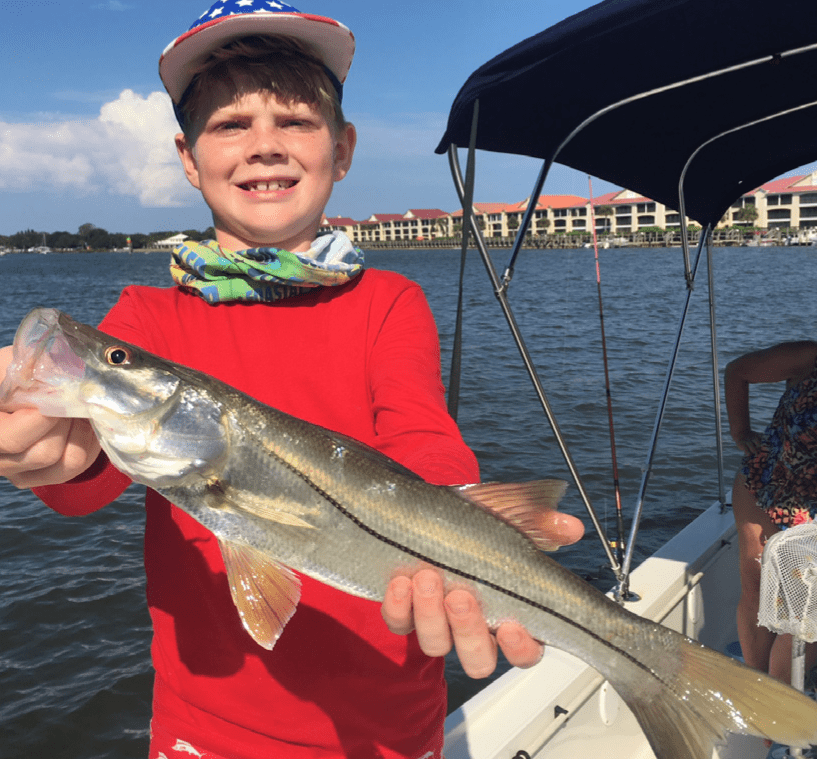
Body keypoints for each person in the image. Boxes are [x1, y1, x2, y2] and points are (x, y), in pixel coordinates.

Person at [0, 3, 584, 758]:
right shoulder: (143, 318)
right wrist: (47, 452)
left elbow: (423, 438)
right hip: (206, 728)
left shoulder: (389, 301)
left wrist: (465, 529)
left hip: (394, 718)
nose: (264, 146)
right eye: (230, 124)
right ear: (187, 157)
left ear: (341, 150)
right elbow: (88, 475)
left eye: (296, 122)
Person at [725, 338, 817, 684]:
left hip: (812, 507)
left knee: (803, 603)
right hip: (766, 482)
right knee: (756, 582)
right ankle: (757, 683)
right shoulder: (809, 357)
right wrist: (741, 432)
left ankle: (780, 691)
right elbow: (738, 372)